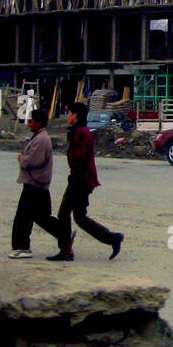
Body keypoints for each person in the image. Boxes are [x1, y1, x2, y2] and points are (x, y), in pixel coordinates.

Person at [49, 102, 124, 261]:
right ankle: (112, 238)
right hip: (82, 179)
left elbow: (80, 160)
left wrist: (74, 179)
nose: (67, 116)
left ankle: (66, 251)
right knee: (79, 217)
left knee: (64, 214)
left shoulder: (81, 133)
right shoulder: (79, 131)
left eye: (69, 113)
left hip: (80, 180)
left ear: (75, 115)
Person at [9, 111, 62, 259]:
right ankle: (64, 235)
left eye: (32, 121)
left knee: (23, 218)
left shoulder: (41, 140)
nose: (29, 124)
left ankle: (21, 247)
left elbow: (32, 161)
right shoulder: (39, 137)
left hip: (35, 184)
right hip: (37, 184)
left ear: (39, 123)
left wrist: (21, 158)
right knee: (41, 217)